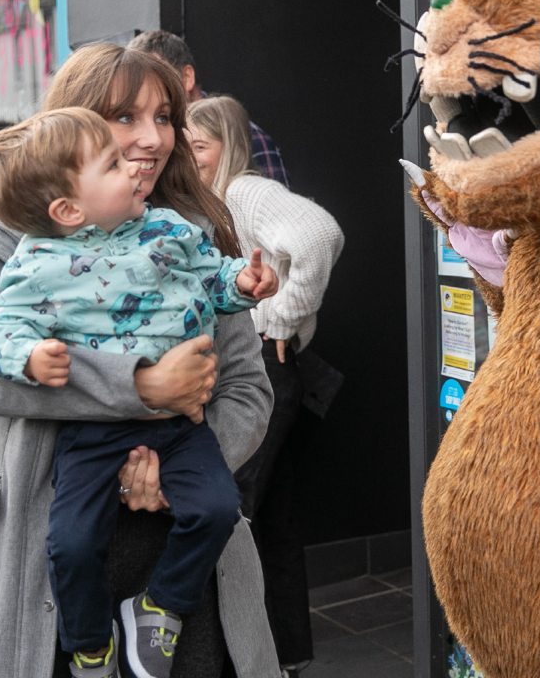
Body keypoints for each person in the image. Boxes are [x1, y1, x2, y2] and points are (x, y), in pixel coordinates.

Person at [0, 43, 281, 678]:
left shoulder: (186, 231)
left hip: (177, 553)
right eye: (125, 118)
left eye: (165, 116)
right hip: (30, 552)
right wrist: (143, 385)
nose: (151, 138)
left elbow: (246, 392)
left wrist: (182, 471)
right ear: (74, 124)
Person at [0, 107, 278, 678]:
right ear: (68, 207)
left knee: (216, 509)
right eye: (113, 162)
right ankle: (91, 644)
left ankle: (160, 606)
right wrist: (31, 357)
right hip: (92, 435)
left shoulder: (171, 229)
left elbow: (209, 278)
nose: (137, 163)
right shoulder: (38, 262)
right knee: (71, 543)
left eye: (164, 117)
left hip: (180, 428)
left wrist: (241, 283)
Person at [187, 95, 344, 676]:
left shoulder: (244, 191)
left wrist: (284, 314)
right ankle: (284, 657)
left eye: (199, 145)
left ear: (228, 147)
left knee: (237, 513)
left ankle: (239, 658)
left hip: (266, 369)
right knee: (272, 519)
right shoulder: (212, 200)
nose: (188, 155)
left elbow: (319, 234)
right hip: (266, 370)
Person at [130, 29, 290, 187]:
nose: (147, 94)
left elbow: (277, 208)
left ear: (187, 78)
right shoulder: (155, 137)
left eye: (158, 82)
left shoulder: (241, 134)